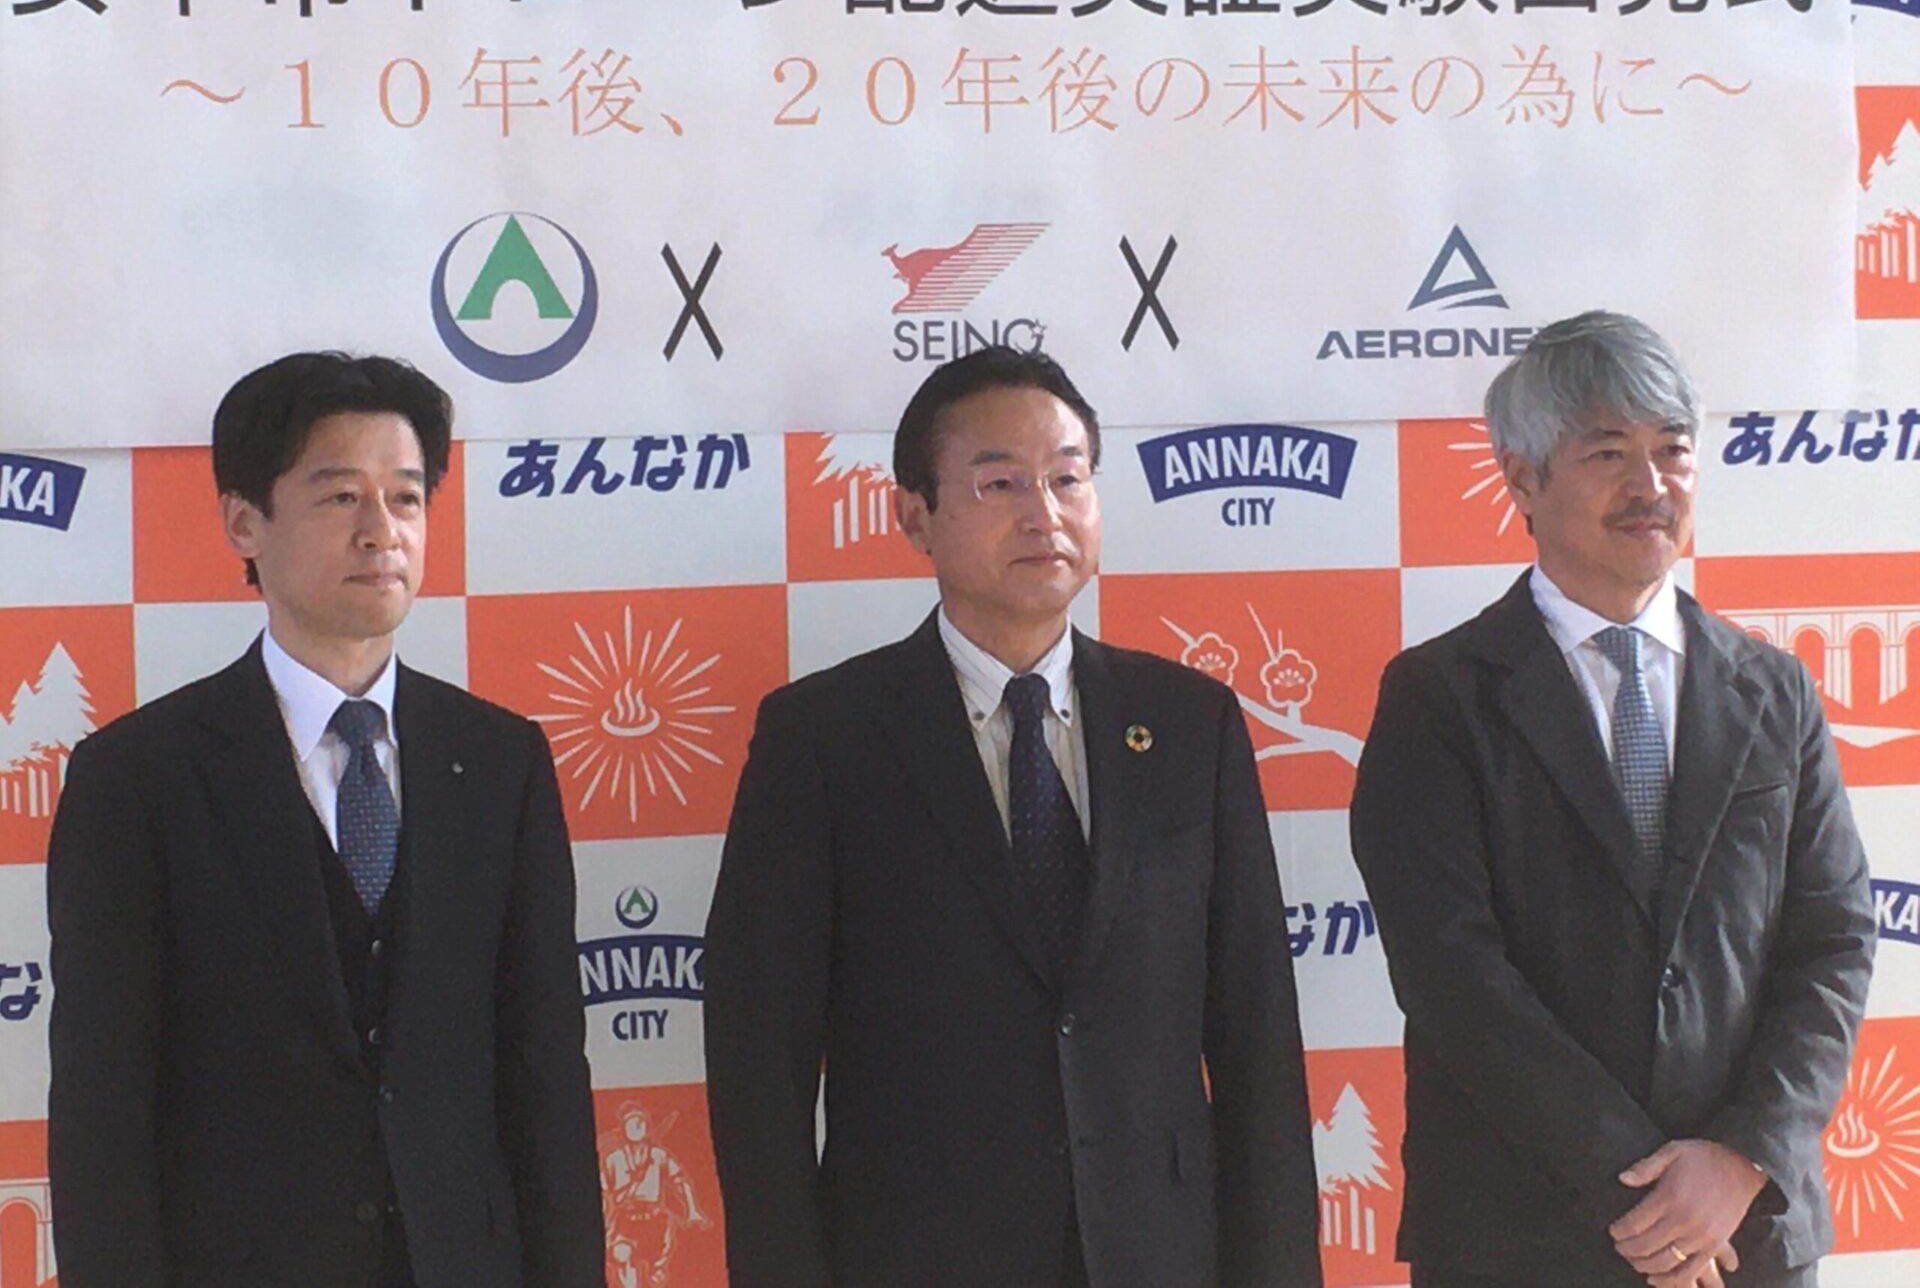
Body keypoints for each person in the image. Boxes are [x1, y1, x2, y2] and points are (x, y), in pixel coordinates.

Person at [704, 346, 1322, 1288]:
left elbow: (1257, 1043)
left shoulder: (1194, 725)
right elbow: (760, 1060)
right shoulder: (823, 738)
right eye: (1000, 483)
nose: (1045, 512)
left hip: (1159, 1255)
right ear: (915, 513)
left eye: (1069, 478)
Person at [46, 352, 603, 1288]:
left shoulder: (501, 761)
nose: (382, 531)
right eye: (342, 498)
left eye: (408, 498)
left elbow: (543, 1075)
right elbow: (104, 1113)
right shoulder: (136, 777)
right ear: (244, 522)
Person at [1350, 312, 1875, 1288]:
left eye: (1674, 451)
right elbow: (1453, 976)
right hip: (1520, 1238)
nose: (1652, 486)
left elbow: (1835, 938)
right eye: (1608, 453)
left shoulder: (1775, 690)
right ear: (1521, 478)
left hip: (1745, 1236)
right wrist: (1645, 1192)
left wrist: (1741, 1157)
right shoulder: (1439, 698)